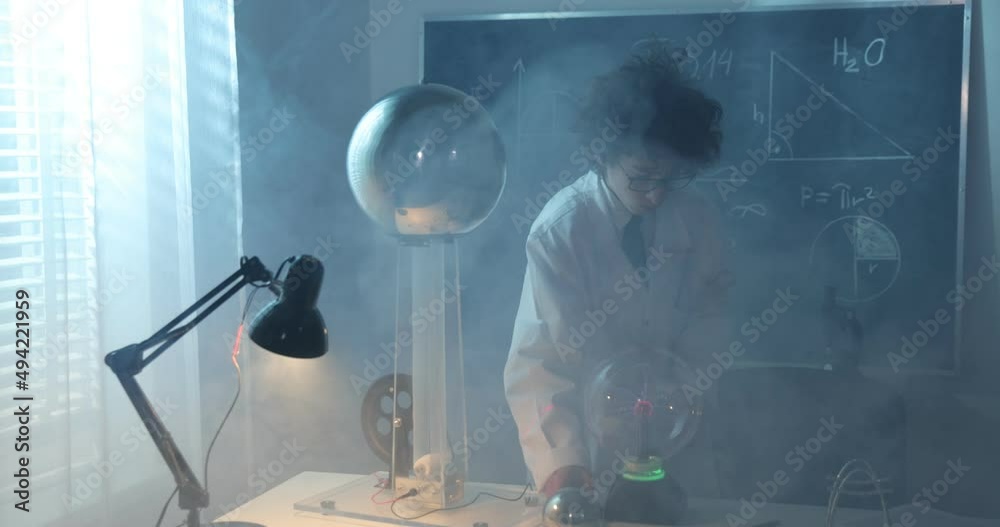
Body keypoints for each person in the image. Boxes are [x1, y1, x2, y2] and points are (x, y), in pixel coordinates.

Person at [503, 45, 730, 501]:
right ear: (602, 155)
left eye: (673, 178)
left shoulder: (698, 219)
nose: (658, 196)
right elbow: (542, 363)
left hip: (676, 433)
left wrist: (678, 400)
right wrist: (563, 463)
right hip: (589, 445)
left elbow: (711, 323)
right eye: (643, 177)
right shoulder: (561, 230)